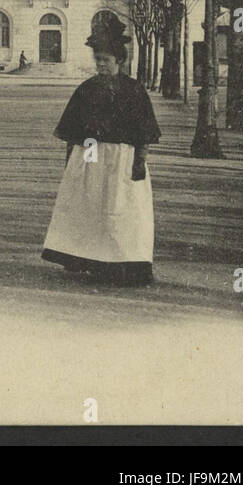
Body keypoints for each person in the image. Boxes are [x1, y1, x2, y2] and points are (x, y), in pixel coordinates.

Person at [41, 16, 159, 286]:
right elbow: (72, 130)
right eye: (98, 60)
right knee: (92, 208)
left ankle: (126, 264)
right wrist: (71, 162)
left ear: (119, 61)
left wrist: (140, 160)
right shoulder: (87, 89)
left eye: (106, 60)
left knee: (124, 212)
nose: (101, 65)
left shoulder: (134, 90)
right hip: (91, 156)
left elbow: (144, 129)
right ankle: (93, 261)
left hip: (123, 158)